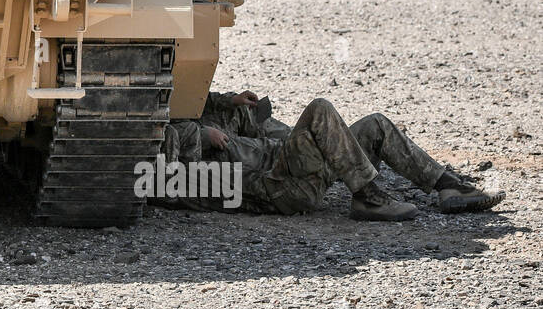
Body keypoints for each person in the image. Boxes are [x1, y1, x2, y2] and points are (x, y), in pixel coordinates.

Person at [161, 91, 505, 221]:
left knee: (375, 126)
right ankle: (369, 196)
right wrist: (202, 136)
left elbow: (205, 107)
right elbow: (161, 168)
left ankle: (448, 186)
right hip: (279, 187)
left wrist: (231, 103)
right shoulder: (164, 147)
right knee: (320, 109)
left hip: (291, 166)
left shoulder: (190, 113)